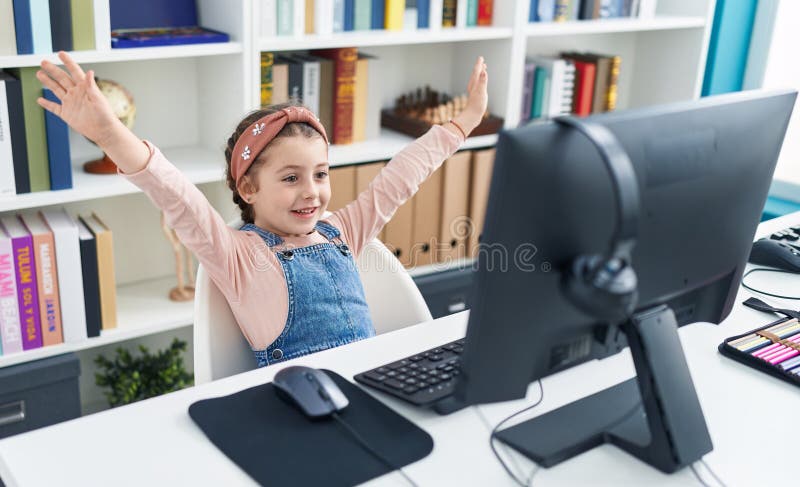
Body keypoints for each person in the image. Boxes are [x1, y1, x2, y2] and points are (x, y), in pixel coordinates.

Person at [36, 51, 489, 367]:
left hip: (371, 386)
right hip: (298, 411)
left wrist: (464, 121)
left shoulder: (343, 231)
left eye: (320, 174)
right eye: (291, 178)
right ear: (248, 186)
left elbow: (401, 177)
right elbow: (174, 194)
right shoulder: (235, 256)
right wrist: (112, 135)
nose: (311, 191)